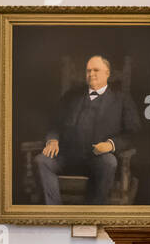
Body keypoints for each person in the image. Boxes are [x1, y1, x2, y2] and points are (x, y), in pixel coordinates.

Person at [35, 55, 142, 205]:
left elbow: (133, 132)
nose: (91, 74)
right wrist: (52, 140)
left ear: (107, 73)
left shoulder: (122, 100)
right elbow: (55, 124)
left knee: (109, 162)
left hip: (97, 159)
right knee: (42, 160)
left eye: (96, 70)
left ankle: (93, 212)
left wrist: (111, 145)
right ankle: (54, 211)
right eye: (88, 71)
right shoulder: (71, 96)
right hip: (67, 157)